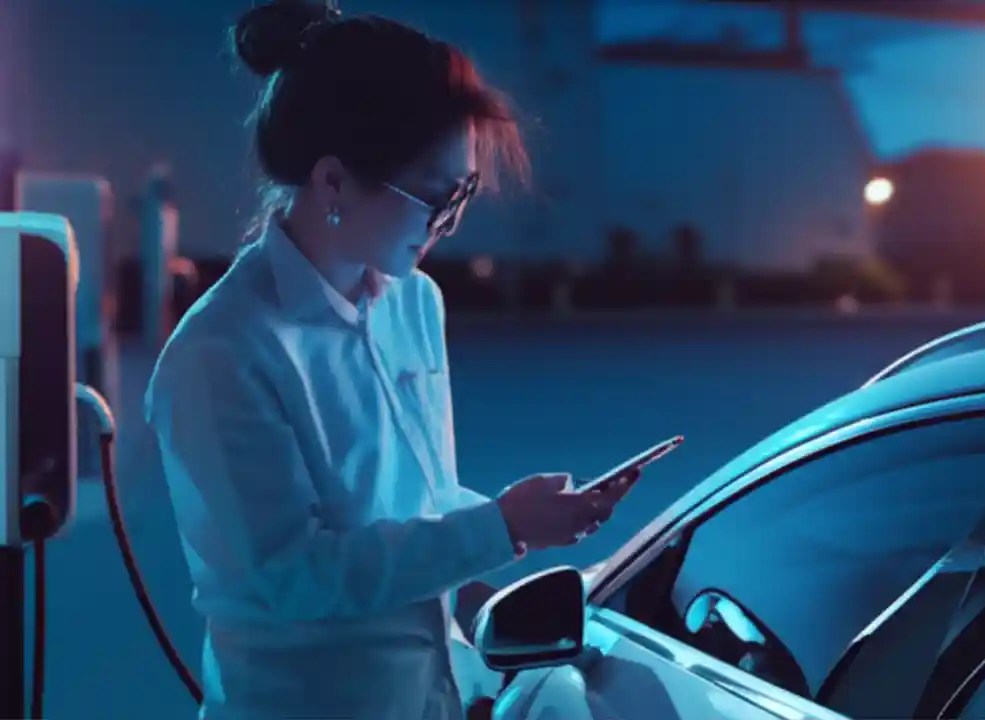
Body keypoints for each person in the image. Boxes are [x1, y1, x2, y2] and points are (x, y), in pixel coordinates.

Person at [144, 3, 634, 718]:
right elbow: (291, 578)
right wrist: (503, 527)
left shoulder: (414, 303)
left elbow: (417, 506)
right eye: (432, 197)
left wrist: (514, 528)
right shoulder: (221, 353)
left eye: (462, 193)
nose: (450, 223)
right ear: (334, 184)